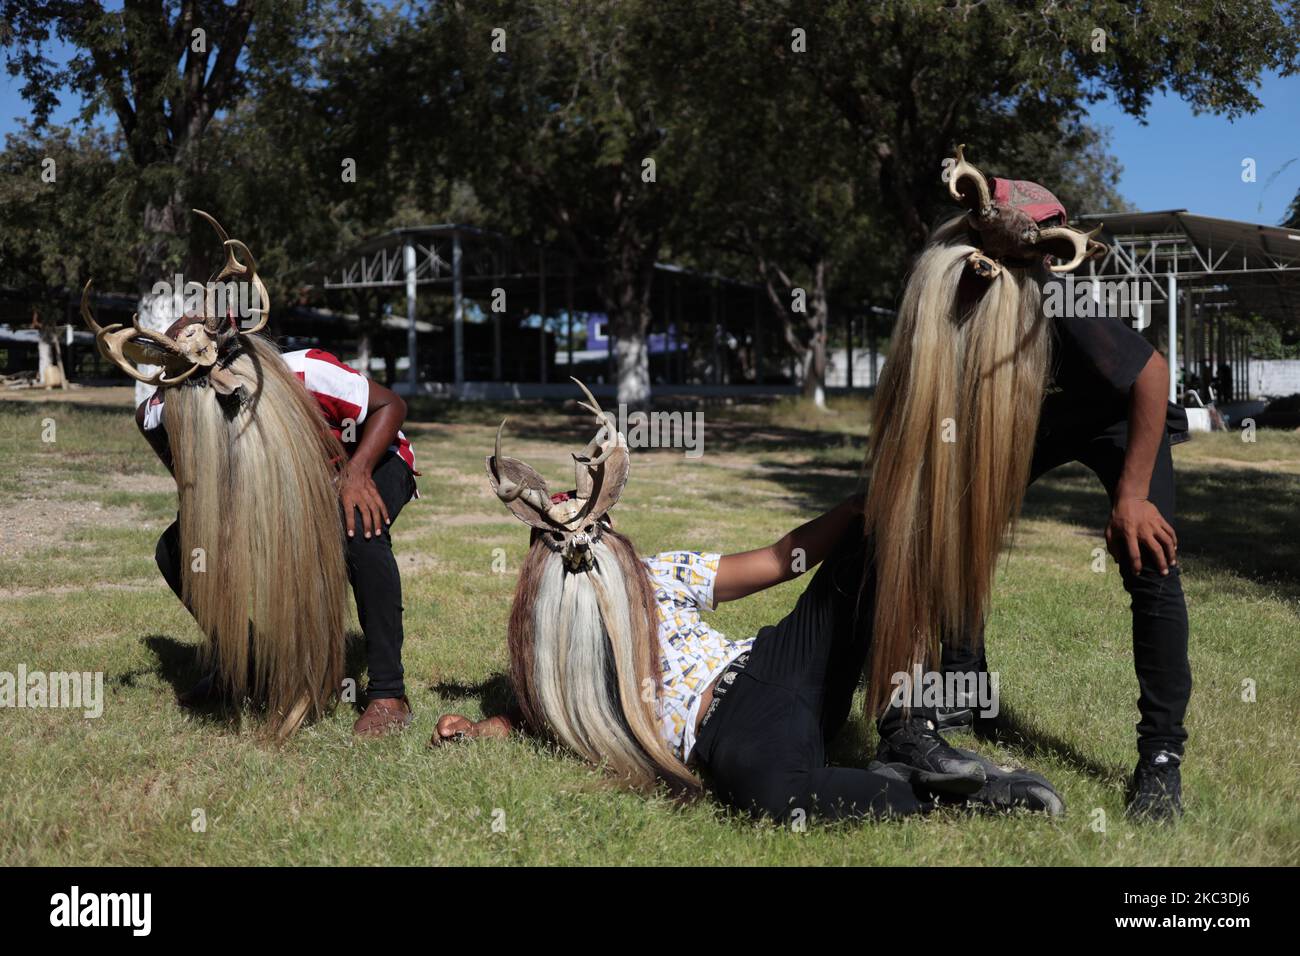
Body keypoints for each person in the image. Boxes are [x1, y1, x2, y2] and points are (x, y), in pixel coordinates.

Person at [432, 382, 1062, 823]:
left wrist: (849, 514)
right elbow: (537, 711)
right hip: (732, 736)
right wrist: (479, 730)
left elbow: (776, 560)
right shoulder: (565, 663)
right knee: (772, 799)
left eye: (589, 531)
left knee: (880, 541)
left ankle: (910, 730)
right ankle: (935, 794)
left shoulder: (657, 574)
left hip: (772, 667)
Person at [897, 147, 1191, 821]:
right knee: (951, 522)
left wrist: (1133, 497)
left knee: (1151, 561)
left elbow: (1150, 375)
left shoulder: (1060, 299)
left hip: (1115, 416)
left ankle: (1161, 759)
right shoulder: (955, 282)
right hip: (1031, 415)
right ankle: (964, 683)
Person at [83, 210, 419, 737]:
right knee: (177, 549)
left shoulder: (304, 371)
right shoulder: (161, 415)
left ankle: (387, 692)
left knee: (356, 531)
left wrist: (356, 474)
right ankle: (248, 664)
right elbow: (193, 484)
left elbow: (390, 407)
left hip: (370, 458)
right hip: (271, 488)